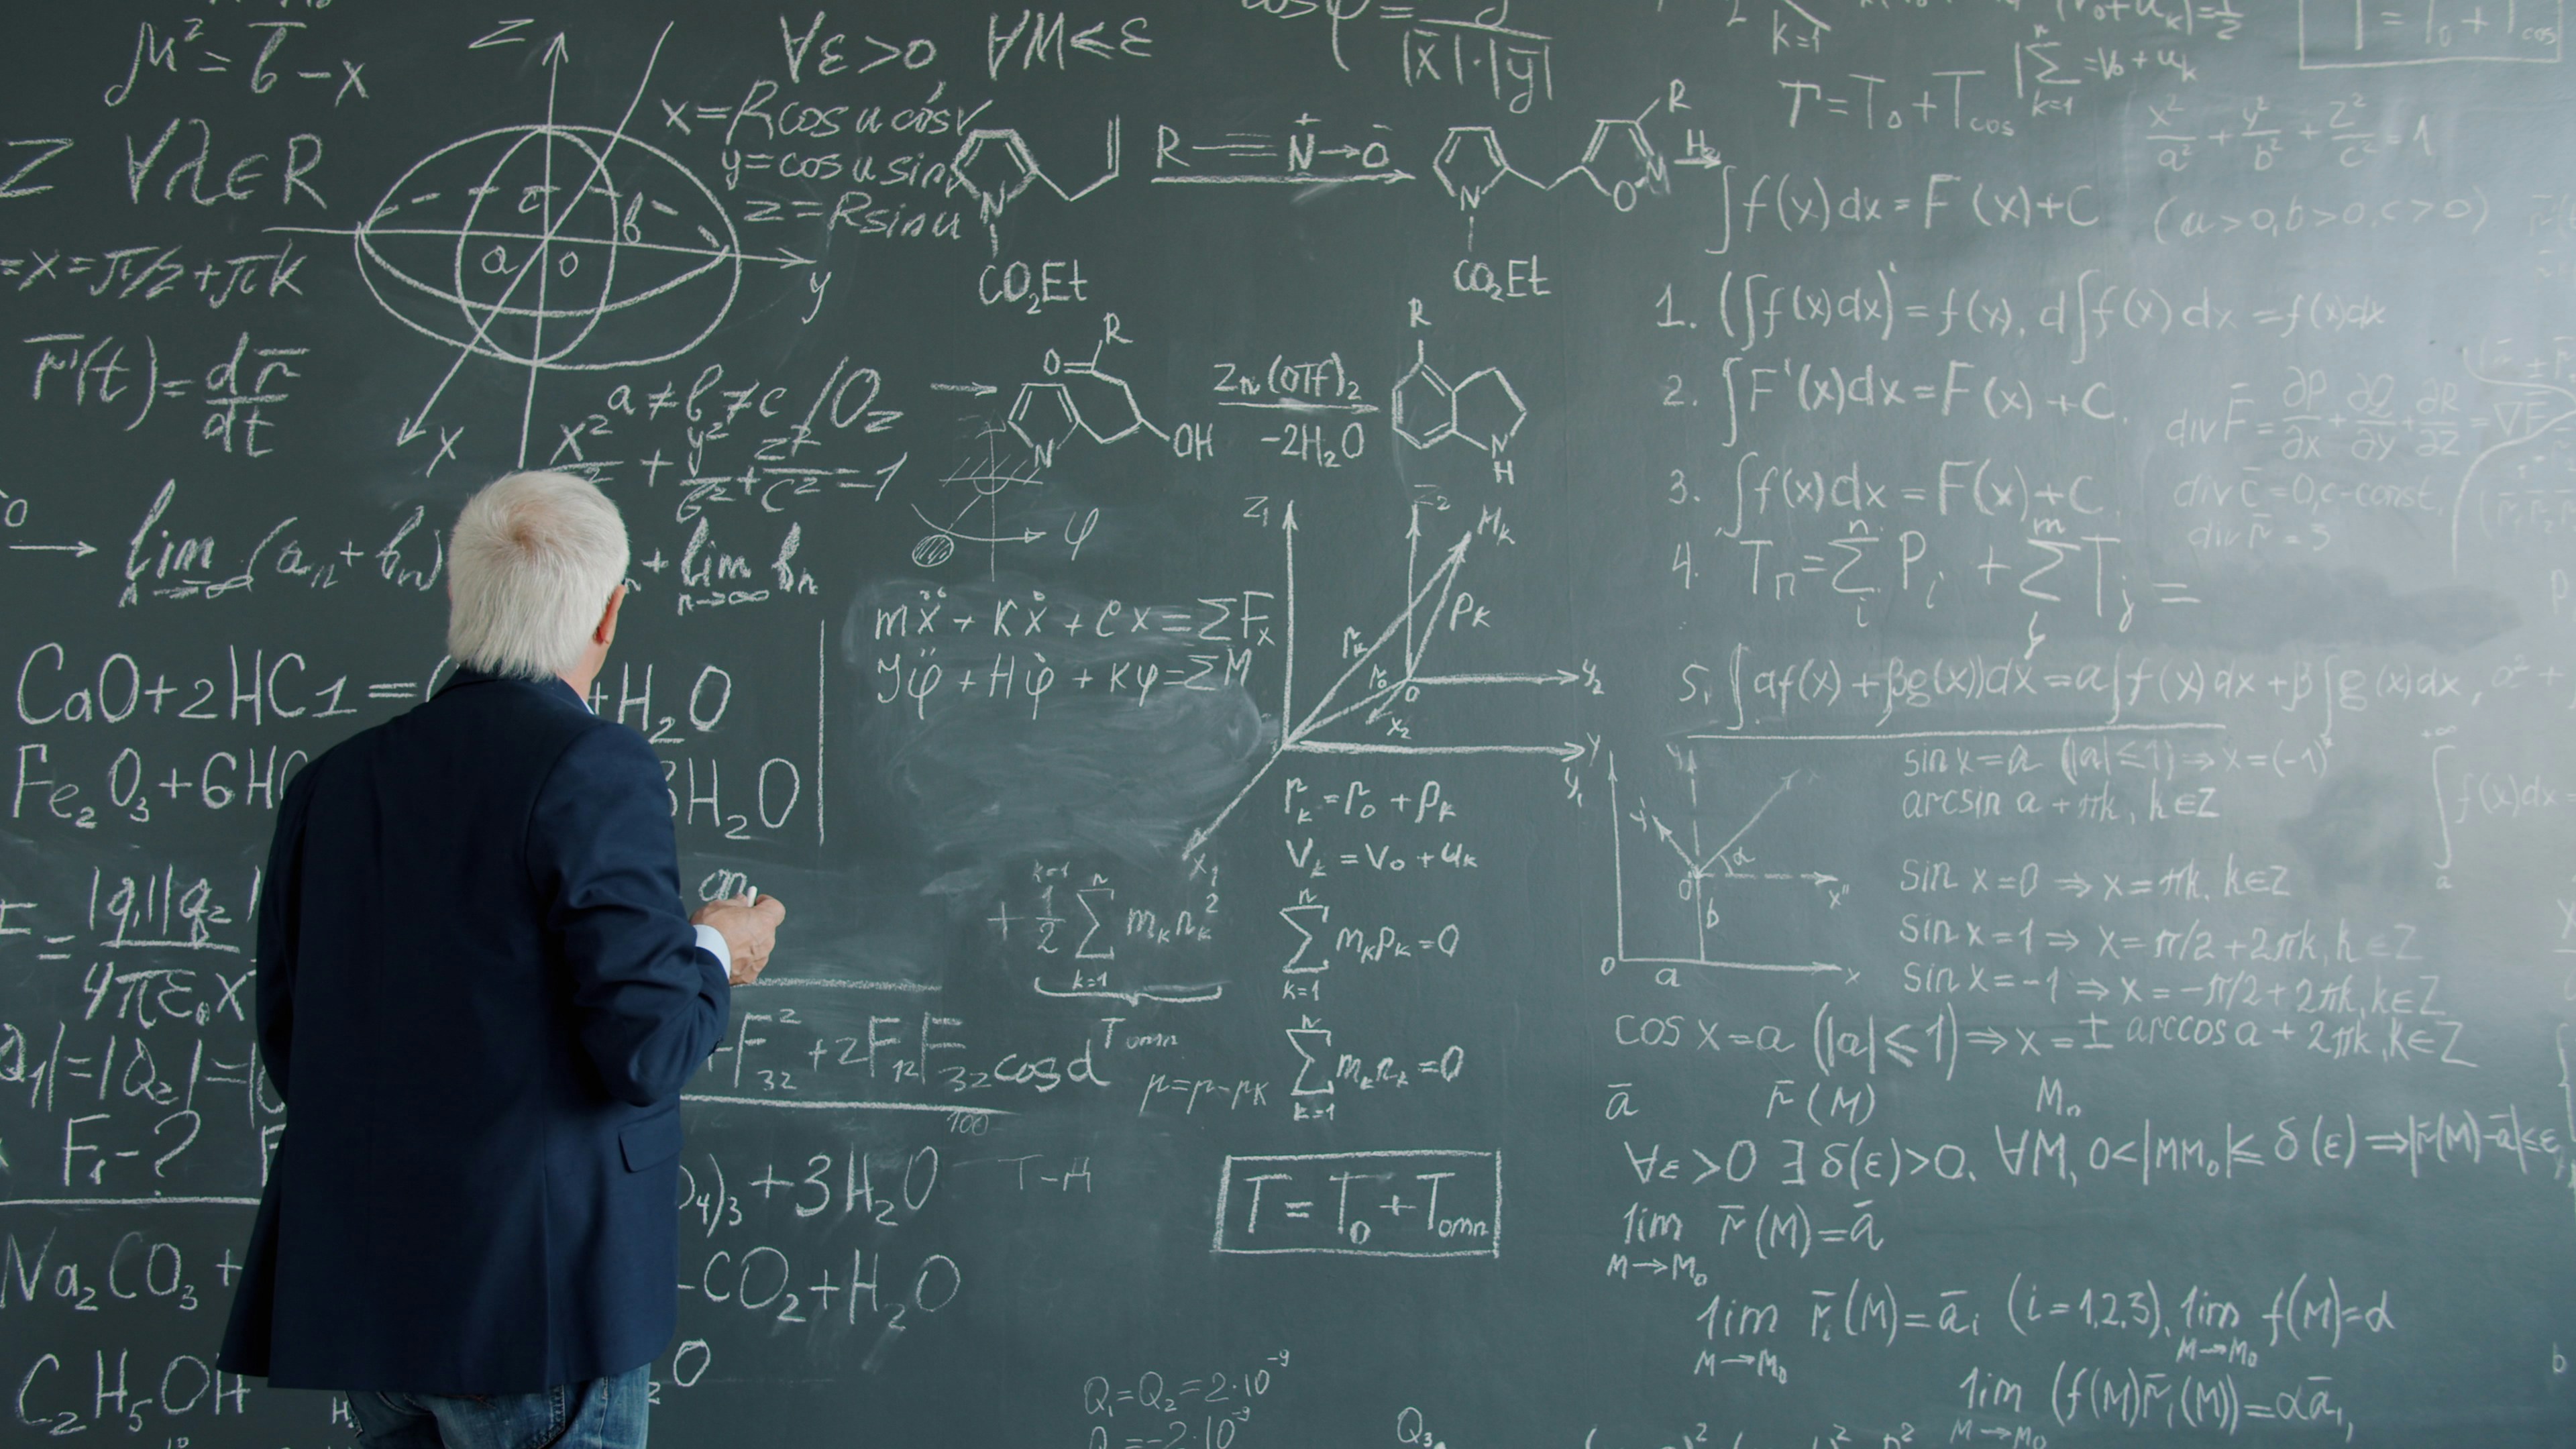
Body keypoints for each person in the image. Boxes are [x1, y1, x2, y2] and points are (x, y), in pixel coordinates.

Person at [215, 470, 784, 1448]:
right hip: (540, 1313)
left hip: (377, 1309)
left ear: (457, 598)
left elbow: (291, 1041)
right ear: (608, 615)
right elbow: (647, 1049)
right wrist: (713, 946)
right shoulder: (593, 766)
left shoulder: (333, 786)